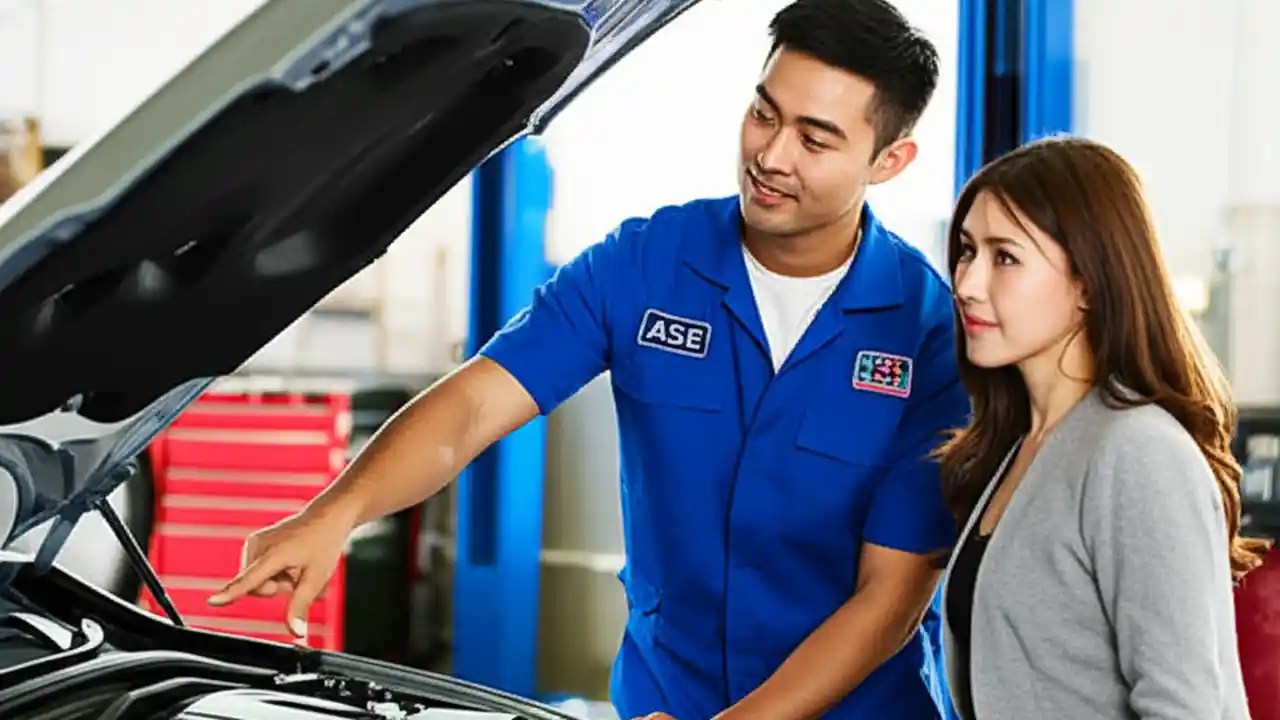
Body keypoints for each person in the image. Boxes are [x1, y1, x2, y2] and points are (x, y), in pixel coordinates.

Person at [208, 1, 970, 718]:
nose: (770, 155)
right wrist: (337, 512)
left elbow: (890, 597)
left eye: (815, 138)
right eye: (764, 112)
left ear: (889, 160)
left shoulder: (927, 332)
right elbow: (474, 406)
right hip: (668, 698)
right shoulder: (642, 266)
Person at [937, 135, 1270, 720]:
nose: (966, 282)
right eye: (966, 251)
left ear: (1088, 283)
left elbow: (1181, 706)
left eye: (1005, 257)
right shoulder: (1021, 448)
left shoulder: (1138, 451)